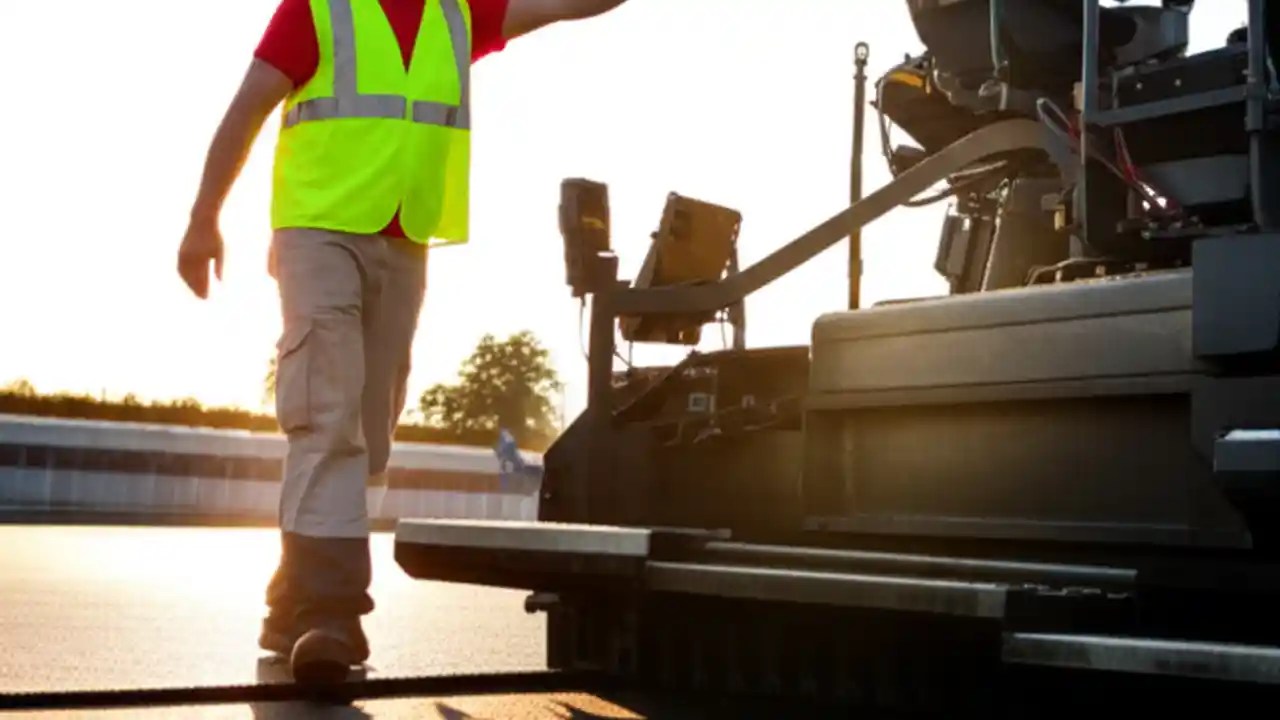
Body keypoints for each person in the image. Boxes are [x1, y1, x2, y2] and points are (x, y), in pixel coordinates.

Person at [176, 0, 630, 684]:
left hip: (404, 239)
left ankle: (291, 602)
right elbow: (247, 109)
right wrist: (204, 218)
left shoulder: (459, 12)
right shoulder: (316, 9)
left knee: (370, 432)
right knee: (327, 415)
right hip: (318, 230)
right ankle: (332, 615)